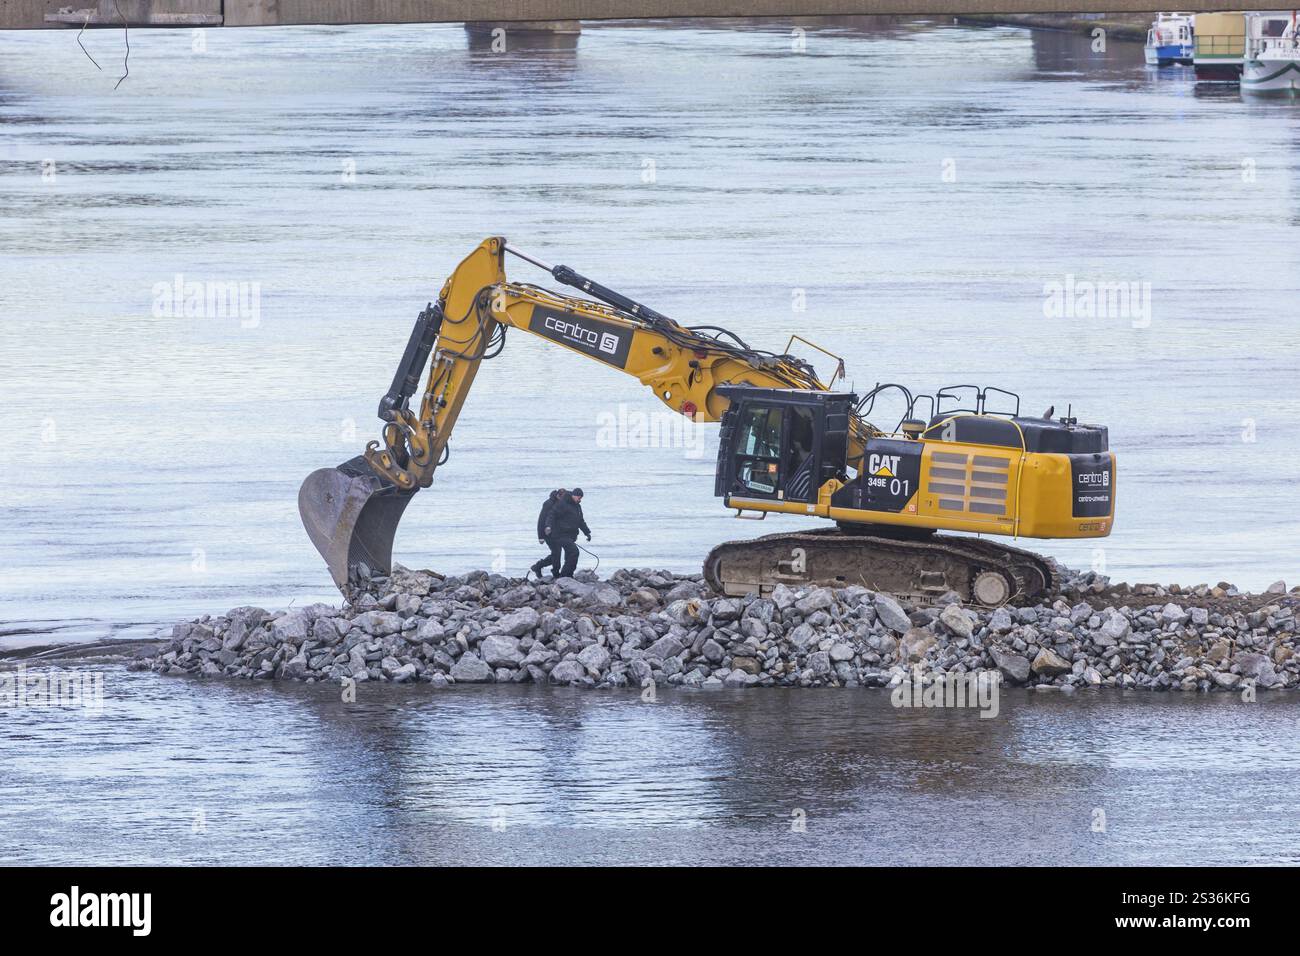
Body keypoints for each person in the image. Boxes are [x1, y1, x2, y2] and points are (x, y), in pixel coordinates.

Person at [544, 487, 591, 578]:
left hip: (571, 535)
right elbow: (552, 514)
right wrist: (548, 526)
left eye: (581, 498)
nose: (580, 499)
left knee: (569, 555)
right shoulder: (563, 503)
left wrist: (587, 532)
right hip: (560, 534)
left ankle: (568, 575)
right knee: (574, 552)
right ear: (573, 495)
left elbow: (580, 521)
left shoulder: (577, 506)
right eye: (579, 497)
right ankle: (564, 575)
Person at [529, 488, 567, 580]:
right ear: (558, 496)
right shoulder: (548, 504)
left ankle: (538, 566)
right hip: (547, 534)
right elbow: (541, 520)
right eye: (563, 498)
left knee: (556, 554)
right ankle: (555, 573)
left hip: (557, 533)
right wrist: (540, 537)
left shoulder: (561, 503)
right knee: (556, 553)